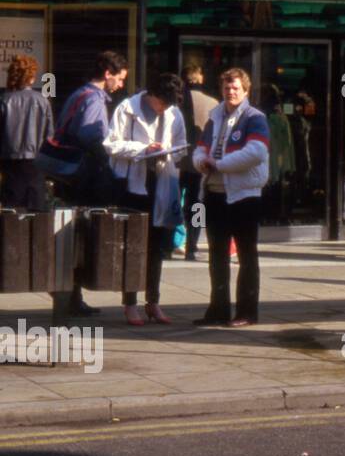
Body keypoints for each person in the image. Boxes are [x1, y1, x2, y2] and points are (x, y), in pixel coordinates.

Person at [49, 50, 129, 317]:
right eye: (119, 79)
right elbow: (90, 135)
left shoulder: (79, 93)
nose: (120, 85)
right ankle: (71, 296)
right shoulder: (94, 99)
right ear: (107, 74)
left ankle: (69, 295)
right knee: (79, 235)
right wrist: (107, 158)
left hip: (66, 172)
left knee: (68, 234)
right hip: (81, 176)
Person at [104, 72, 186, 325]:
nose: (164, 109)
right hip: (133, 186)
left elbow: (182, 145)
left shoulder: (174, 113)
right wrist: (143, 149)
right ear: (152, 95)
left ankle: (154, 302)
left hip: (161, 183)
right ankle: (130, 304)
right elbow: (110, 144)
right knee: (133, 246)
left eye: (168, 105)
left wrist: (170, 154)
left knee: (157, 247)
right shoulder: (127, 109)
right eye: (162, 103)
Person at [192, 67, 269, 327]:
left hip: (244, 197)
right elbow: (200, 149)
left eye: (236, 88)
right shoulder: (214, 118)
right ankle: (218, 309)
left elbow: (256, 152)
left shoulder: (255, 118)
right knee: (217, 255)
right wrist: (201, 161)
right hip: (215, 194)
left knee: (247, 255)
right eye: (226, 88)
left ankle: (247, 312)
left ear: (246, 91)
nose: (231, 92)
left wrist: (219, 164)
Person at [0, 54, 53, 210]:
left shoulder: (4, 100)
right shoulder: (43, 101)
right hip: (36, 162)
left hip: (10, 163)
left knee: (12, 213)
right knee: (37, 213)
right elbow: (50, 137)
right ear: (31, 78)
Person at [178, 63, 217, 261]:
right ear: (200, 77)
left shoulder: (176, 101)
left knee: (172, 203)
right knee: (197, 205)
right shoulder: (212, 103)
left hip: (176, 162)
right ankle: (192, 246)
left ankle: (168, 243)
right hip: (199, 164)